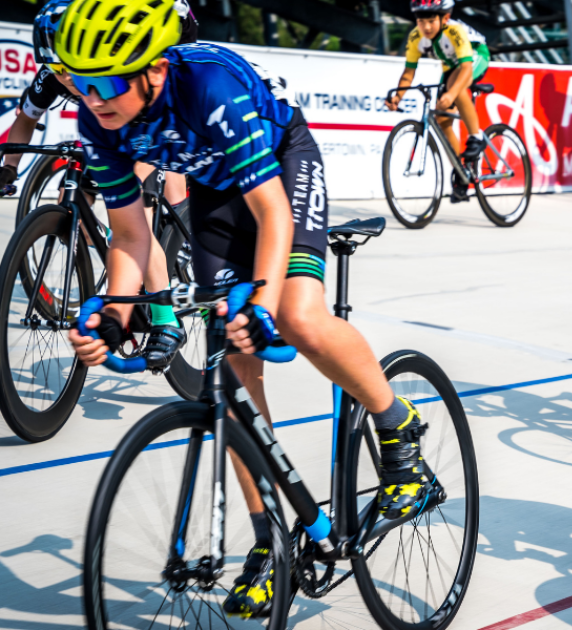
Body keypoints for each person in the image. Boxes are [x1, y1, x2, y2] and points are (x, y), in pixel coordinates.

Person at [56, 0, 433, 616]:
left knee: (296, 316)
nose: (92, 97)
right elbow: (129, 237)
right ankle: (271, 539)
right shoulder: (99, 122)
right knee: (230, 375)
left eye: (105, 81)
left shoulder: (211, 87)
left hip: (281, 165)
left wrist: (261, 298)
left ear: (152, 69)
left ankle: (398, 424)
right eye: (80, 80)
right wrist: (115, 308)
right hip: (212, 191)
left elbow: (272, 213)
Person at [1, 0, 200, 368]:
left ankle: (165, 315)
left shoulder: (116, 61)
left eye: (67, 69)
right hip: (110, 125)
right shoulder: (52, 76)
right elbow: (25, 120)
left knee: (139, 207)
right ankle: (123, 255)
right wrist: (9, 169)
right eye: (55, 70)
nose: (64, 79)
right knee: (73, 197)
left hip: (154, 93)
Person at [385, 0, 490, 203]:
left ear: (445, 18)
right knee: (442, 120)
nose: (425, 27)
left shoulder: (454, 31)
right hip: (451, 66)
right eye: (421, 21)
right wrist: (397, 97)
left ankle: (476, 137)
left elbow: (466, 69)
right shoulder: (416, 37)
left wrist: (451, 94)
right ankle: (462, 172)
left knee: (454, 88)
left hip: (475, 56)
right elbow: (408, 73)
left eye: (431, 21)